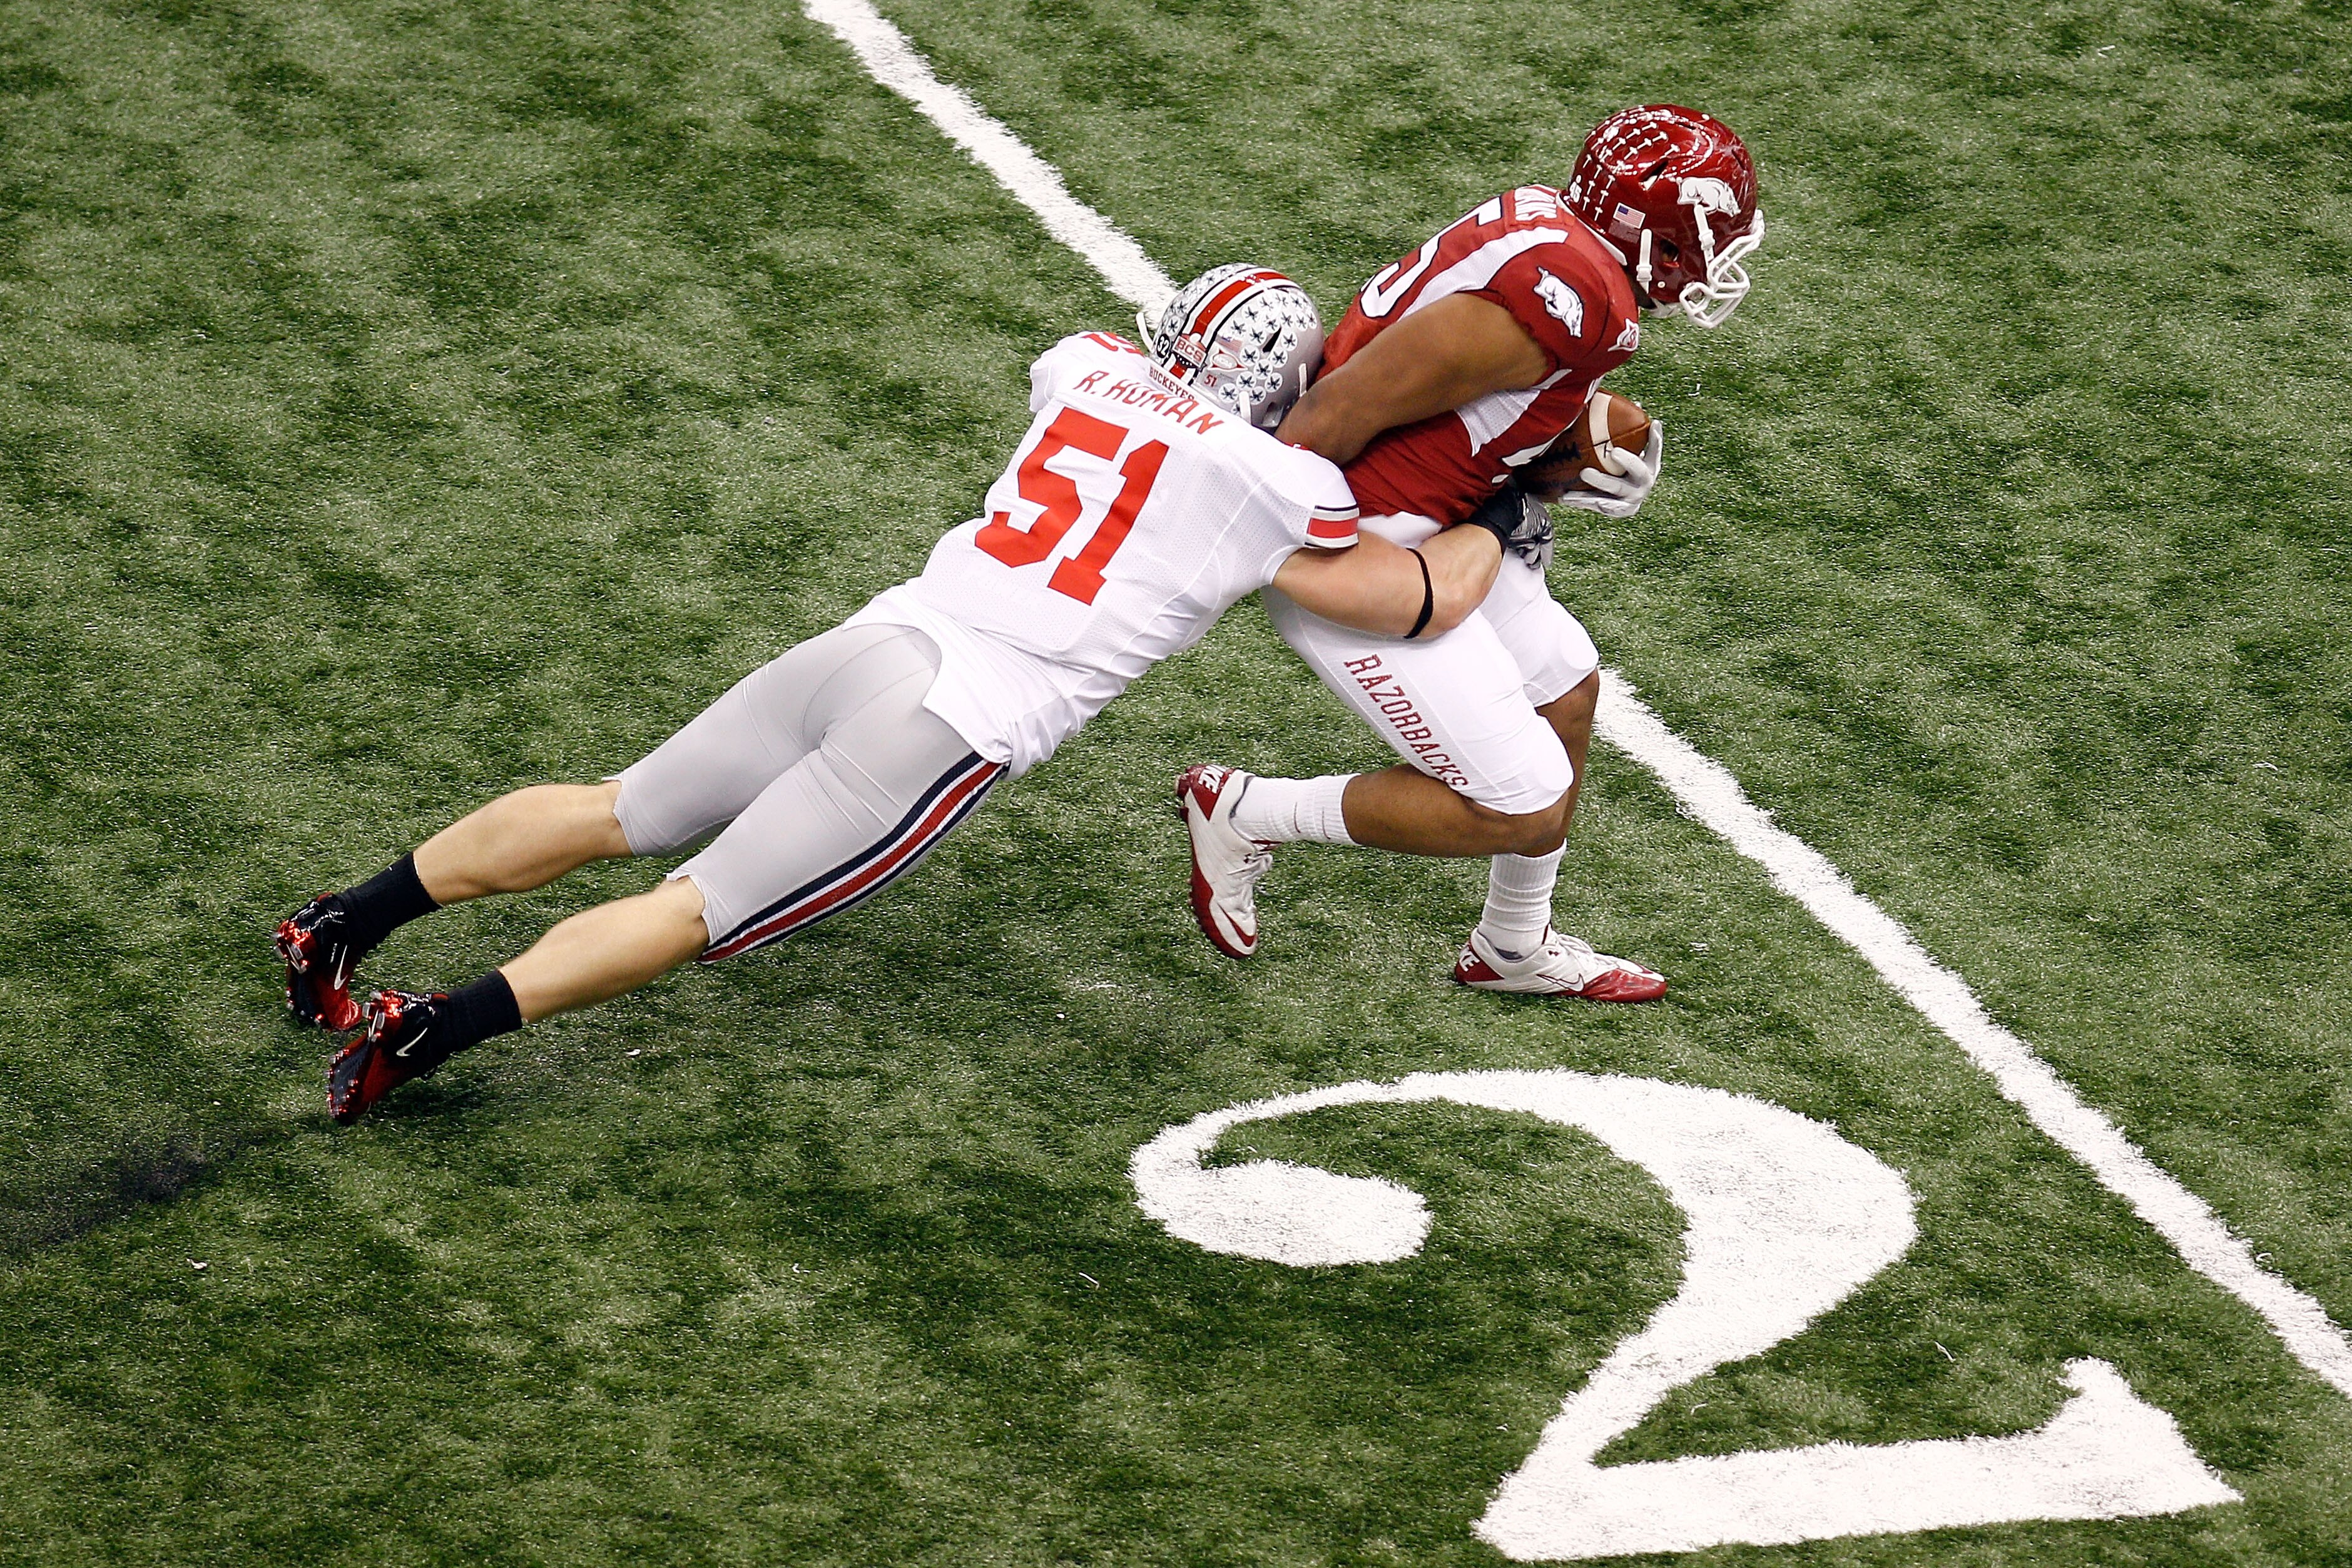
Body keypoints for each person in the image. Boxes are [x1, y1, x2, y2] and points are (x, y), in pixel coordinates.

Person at [279, 264, 1525, 1123]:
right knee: (690, 908)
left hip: (878, 640)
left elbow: (1131, 399)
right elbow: (1414, 597)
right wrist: (1508, 512)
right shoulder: (1265, 477)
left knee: (624, 806)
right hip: (946, 727)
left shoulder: (1083, 367)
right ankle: (428, 1029)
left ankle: (342, 919)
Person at [1176, 104, 1763, 1002]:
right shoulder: (1571, 299)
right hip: (1366, 548)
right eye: (1709, 239)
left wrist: (1548, 450)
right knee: (1520, 803)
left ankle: (1510, 946)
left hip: (1430, 516)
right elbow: (1343, 409)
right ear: (1659, 237)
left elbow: (1463, 401)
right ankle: (1242, 811)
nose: (1720, 262)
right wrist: (1267, 544)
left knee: (1565, 685)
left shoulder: (1562, 241)